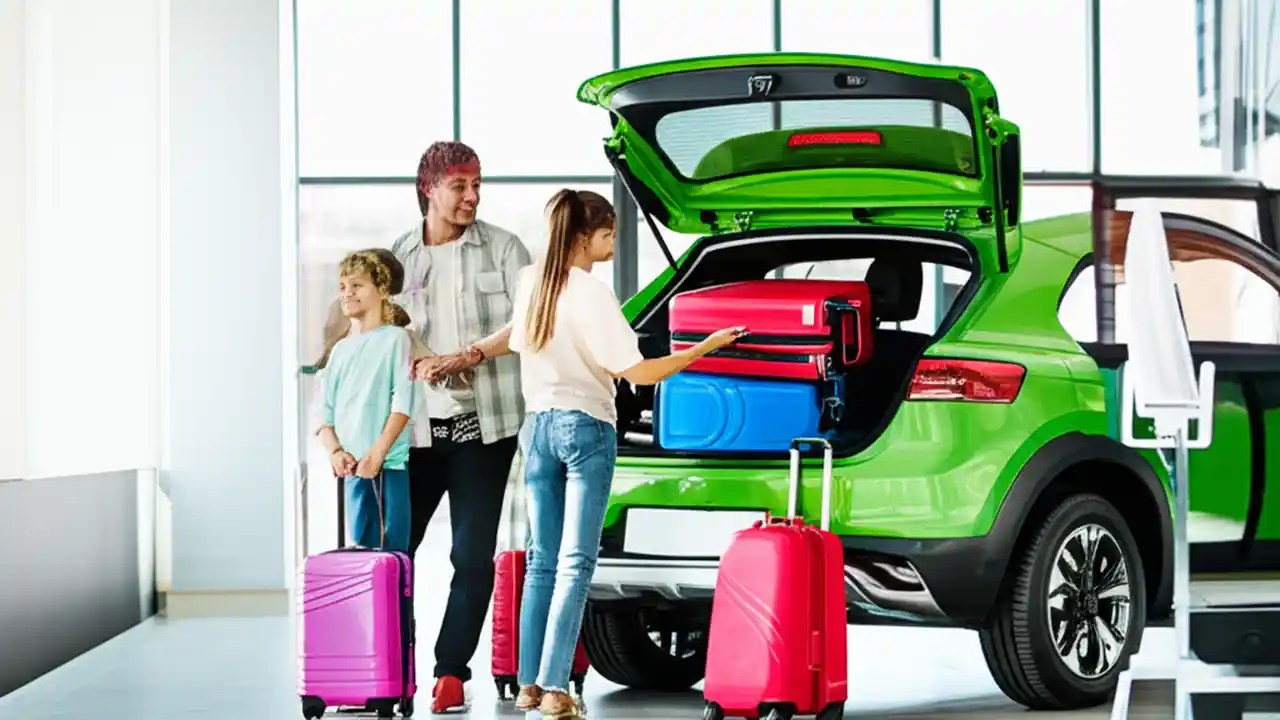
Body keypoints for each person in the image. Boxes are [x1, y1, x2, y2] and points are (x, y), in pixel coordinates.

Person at [498, 189, 744, 717]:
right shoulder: (591, 293)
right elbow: (636, 371)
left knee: (542, 561)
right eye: (609, 235)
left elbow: (521, 344)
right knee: (575, 563)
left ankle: (528, 685)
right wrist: (705, 348)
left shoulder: (530, 282)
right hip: (584, 430)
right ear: (587, 236)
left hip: (536, 429)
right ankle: (558, 688)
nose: (613, 245)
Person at [387, 140, 533, 712]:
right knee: (394, 553)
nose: (472, 196)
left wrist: (466, 356)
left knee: (471, 558)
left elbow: (528, 322)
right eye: (459, 186)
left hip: (484, 427)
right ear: (430, 188)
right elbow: (385, 333)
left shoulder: (504, 248)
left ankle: (451, 671)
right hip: (416, 432)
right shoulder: (400, 255)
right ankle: (392, 664)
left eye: (477, 185)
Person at [315, 250, 415, 553]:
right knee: (360, 554)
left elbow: (402, 405)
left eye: (356, 285)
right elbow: (325, 418)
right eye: (343, 286)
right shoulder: (339, 351)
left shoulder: (396, 340)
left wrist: (377, 453)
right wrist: (335, 452)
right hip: (353, 470)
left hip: (388, 466)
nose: (347, 293)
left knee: (392, 556)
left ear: (382, 290)